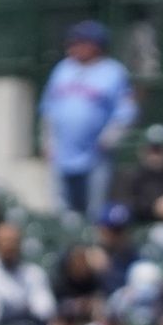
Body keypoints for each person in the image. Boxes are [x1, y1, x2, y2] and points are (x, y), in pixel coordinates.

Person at [39, 21, 135, 218]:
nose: (73, 47)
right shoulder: (62, 69)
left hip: (96, 156)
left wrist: (110, 138)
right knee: (63, 213)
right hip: (61, 155)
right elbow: (48, 109)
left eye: (80, 42)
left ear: (96, 45)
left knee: (95, 212)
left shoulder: (113, 72)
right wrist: (47, 139)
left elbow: (127, 112)